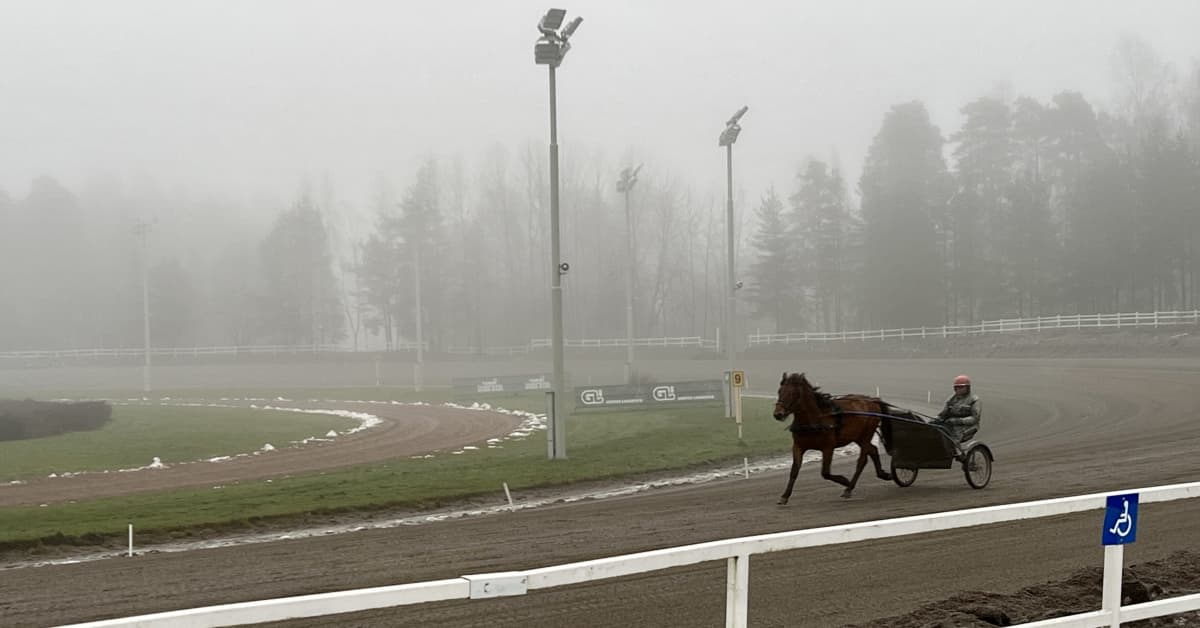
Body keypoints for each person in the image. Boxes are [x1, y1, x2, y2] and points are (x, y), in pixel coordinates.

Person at [935, 374, 981, 442]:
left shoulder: (974, 400)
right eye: (957, 387)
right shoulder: (950, 399)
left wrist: (958, 421)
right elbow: (942, 413)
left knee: (951, 439)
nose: (959, 389)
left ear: (967, 388)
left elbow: (975, 418)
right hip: (951, 424)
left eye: (961, 387)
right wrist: (936, 419)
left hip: (968, 426)